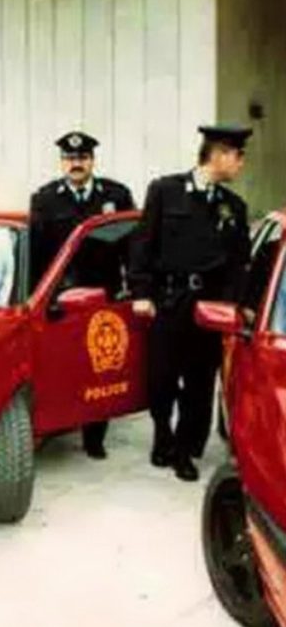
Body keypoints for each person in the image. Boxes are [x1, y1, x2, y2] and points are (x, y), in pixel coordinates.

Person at [129, 125, 253, 482]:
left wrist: (237, 304)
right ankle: (162, 434)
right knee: (161, 378)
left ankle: (185, 450)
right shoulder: (166, 190)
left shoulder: (234, 206)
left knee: (200, 383)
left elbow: (238, 263)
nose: (241, 163)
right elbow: (142, 244)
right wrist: (140, 292)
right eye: (238, 155)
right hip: (169, 301)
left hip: (209, 308)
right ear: (218, 154)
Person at [29, 131, 135, 460]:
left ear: (92, 161)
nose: (76, 164)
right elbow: (36, 253)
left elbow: (132, 244)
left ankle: (95, 436)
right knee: (66, 362)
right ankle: (64, 420)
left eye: (82, 158)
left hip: (104, 291)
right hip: (61, 297)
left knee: (100, 364)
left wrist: (133, 286)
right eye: (70, 159)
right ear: (63, 162)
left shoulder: (116, 195)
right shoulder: (45, 199)